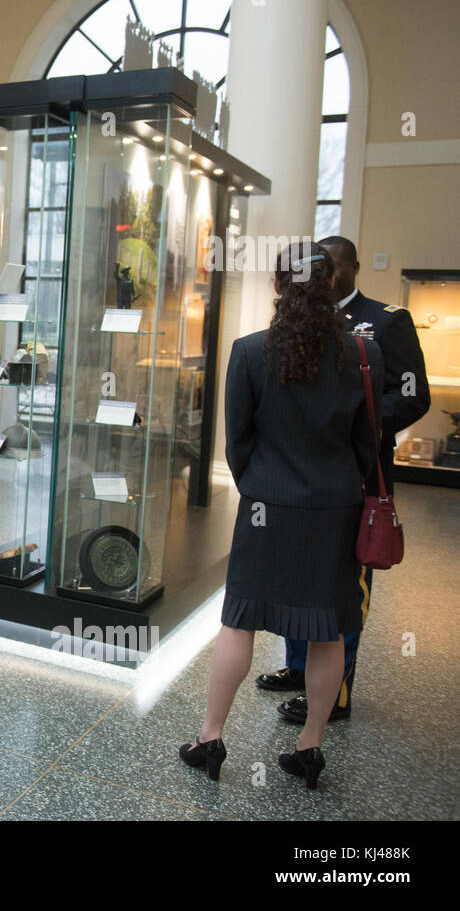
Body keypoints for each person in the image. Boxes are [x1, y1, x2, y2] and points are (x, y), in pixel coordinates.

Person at [179, 242, 382, 790]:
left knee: (239, 620)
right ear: (330, 283)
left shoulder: (249, 352)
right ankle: (310, 746)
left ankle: (211, 737)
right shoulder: (361, 354)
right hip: (334, 509)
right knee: (328, 628)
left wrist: (261, 489)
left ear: (276, 285)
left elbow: (236, 442)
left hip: (268, 506)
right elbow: (369, 444)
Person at [258, 235, 430, 724]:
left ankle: (335, 693)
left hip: (354, 474)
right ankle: (298, 668)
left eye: (330, 265)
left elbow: (412, 396)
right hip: (296, 479)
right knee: (296, 577)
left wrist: (352, 426)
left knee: (341, 586)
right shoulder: (292, 322)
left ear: (348, 269)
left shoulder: (387, 321)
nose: (322, 274)